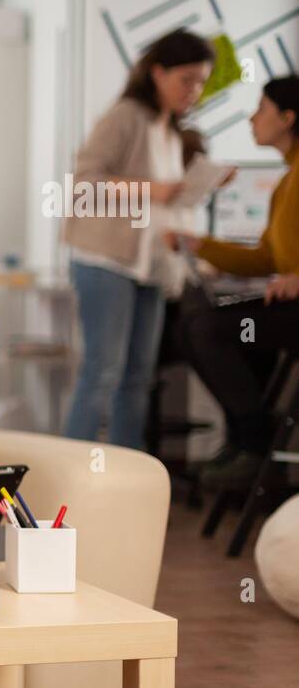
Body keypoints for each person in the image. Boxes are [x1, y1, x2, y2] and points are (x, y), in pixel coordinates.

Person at [61, 29, 218, 450]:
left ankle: (130, 477)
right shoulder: (126, 116)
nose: (194, 91)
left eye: (201, 81)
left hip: (149, 267)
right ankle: (72, 469)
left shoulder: (170, 130)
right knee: (102, 373)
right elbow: (83, 186)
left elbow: (161, 207)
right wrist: (153, 188)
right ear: (157, 72)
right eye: (187, 79)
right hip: (106, 262)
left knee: (138, 379)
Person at [163, 75, 299, 489]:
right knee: (205, 326)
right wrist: (200, 246)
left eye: (261, 109)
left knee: (207, 328)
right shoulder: (287, 181)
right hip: (286, 311)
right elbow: (267, 258)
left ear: (289, 116)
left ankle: (254, 441)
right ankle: (248, 441)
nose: (252, 118)